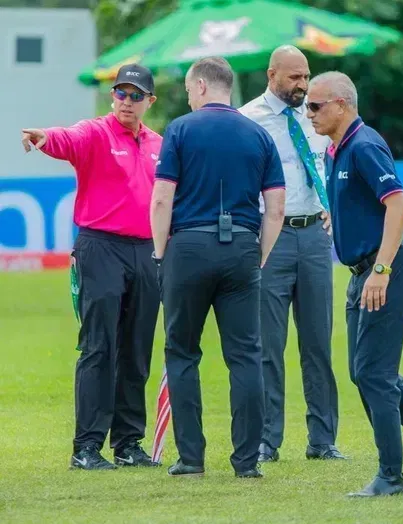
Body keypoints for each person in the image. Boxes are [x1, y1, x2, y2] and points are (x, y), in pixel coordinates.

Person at [307, 71, 403, 497]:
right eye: (307, 106)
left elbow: (398, 205)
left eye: (316, 106)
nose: (310, 113)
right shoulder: (336, 148)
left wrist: (381, 271)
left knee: (374, 374)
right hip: (363, 271)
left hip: (385, 271)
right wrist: (339, 218)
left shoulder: (365, 145)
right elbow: (364, 203)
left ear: (342, 104)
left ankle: (391, 476)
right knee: (364, 372)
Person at [22, 64, 164, 470]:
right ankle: (86, 447)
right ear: (112, 96)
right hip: (101, 247)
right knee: (99, 346)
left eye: (136, 96)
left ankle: (128, 444)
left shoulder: (158, 143)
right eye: (121, 93)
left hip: (146, 251)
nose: (126, 101)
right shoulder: (96, 132)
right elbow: (67, 138)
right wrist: (44, 137)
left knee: (136, 349)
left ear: (149, 102)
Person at [151, 56, 285, 478]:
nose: (189, 97)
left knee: (182, 352)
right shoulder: (260, 135)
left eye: (190, 89)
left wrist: (160, 253)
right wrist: (258, 255)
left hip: (188, 247)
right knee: (246, 355)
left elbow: (161, 199)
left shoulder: (180, 130)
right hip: (243, 248)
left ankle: (191, 458)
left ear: (204, 86)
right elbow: (276, 208)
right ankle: (247, 462)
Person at [238, 45, 345, 464]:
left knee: (318, 343)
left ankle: (323, 440)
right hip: (273, 237)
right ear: (272, 75)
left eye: (306, 77)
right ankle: (267, 439)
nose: (302, 85)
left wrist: (334, 206)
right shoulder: (249, 120)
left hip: (315, 237)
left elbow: (333, 165)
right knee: (269, 345)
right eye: (294, 78)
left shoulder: (317, 117)